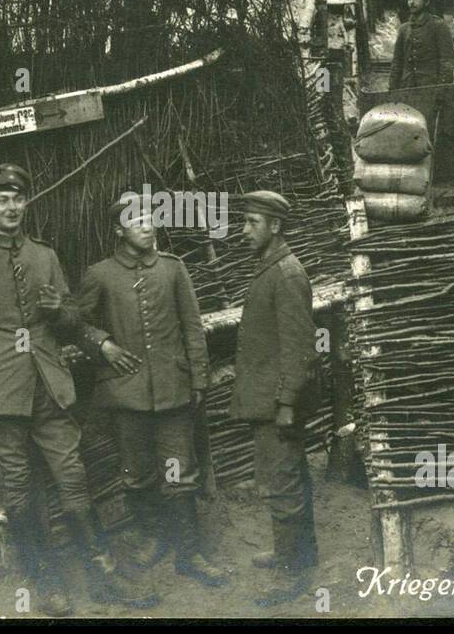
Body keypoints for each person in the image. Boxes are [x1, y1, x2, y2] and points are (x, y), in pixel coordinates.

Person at [0, 164, 157, 615]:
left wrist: (61, 310)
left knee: (73, 476)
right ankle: (45, 580)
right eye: (2, 200)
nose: (12, 207)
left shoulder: (45, 256)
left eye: (18, 199)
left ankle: (102, 572)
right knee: (18, 489)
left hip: (50, 389)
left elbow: (72, 322)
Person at [77, 193, 227, 588]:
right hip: (127, 395)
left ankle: (189, 552)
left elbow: (193, 327)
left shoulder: (173, 270)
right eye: (136, 219)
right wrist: (102, 343)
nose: (146, 224)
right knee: (137, 474)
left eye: (150, 217)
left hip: (174, 389)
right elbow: (75, 323)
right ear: (118, 230)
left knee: (179, 471)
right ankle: (154, 537)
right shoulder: (101, 275)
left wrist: (198, 378)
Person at [231, 191, 320, 607]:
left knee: (282, 483)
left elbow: (299, 347)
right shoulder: (270, 267)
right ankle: (296, 553)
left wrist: (286, 403)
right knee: (287, 476)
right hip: (270, 398)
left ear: (275, 226)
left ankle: (293, 573)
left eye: (251, 222)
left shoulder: (285, 273)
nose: (244, 230)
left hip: (278, 402)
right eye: (245, 221)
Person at [389, 0, 454, 90]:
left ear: (427, 2)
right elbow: (397, 62)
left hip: (431, 87)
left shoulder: (438, 26)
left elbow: (447, 61)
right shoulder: (404, 29)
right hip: (407, 87)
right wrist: (392, 89)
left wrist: (441, 88)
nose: (412, 2)